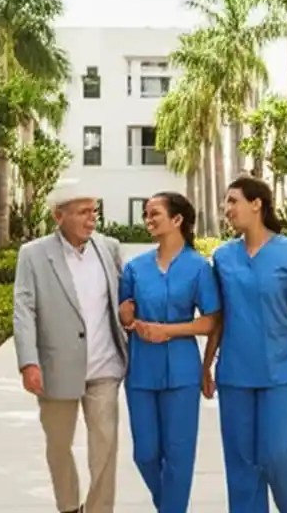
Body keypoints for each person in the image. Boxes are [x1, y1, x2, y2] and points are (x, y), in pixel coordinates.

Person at [202, 175, 287, 513]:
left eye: (233, 201)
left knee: (278, 454)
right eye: (225, 202)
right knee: (242, 463)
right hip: (235, 374)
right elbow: (219, 317)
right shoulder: (223, 257)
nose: (227, 209)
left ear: (257, 204)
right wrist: (206, 365)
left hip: (279, 373)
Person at [12, 180, 127, 513]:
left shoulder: (109, 248)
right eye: (83, 212)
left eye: (94, 211)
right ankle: (68, 507)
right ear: (58, 216)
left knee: (105, 449)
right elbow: (24, 309)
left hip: (104, 367)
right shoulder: (33, 254)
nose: (92, 219)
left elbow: (126, 297)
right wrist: (28, 362)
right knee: (58, 446)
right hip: (55, 368)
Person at [117, 192, 220, 513]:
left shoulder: (199, 267)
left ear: (177, 220)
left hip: (182, 371)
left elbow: (211, 321)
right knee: (145, 453)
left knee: (178, 455)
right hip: (141, 371)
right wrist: (125, 315)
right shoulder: (135, 268)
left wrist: (169, 331)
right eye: (146, 214)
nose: (148, 219)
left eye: (155, 213)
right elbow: (124, 315)